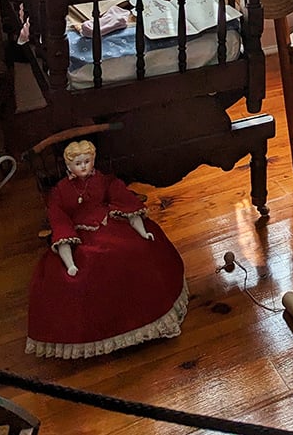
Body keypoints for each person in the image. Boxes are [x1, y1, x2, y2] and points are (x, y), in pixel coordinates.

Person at [26, 139, 187, 358]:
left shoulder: (102, 180)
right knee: (87, 270)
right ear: (68, 166)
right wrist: (67, 245)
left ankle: (146, 319)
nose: (83, 167)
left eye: (87, 161)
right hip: (81, 232)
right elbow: (59, 218)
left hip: (109, 220)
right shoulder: (61, 191)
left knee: (137, 250)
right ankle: (102, 331)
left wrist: (140, 228)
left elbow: (119, 195)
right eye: (78, 163)